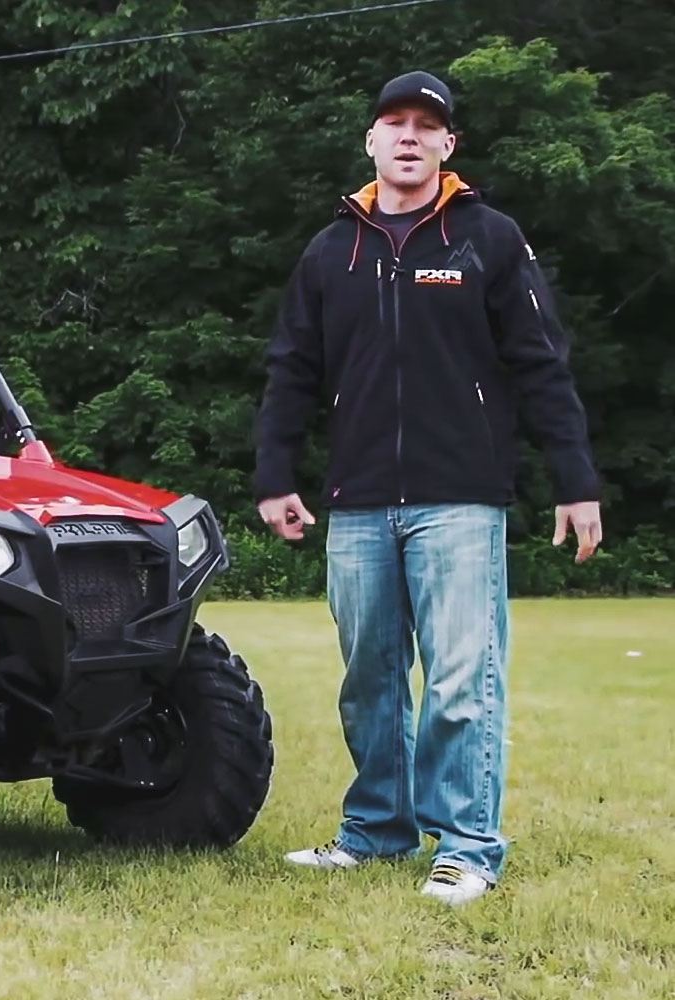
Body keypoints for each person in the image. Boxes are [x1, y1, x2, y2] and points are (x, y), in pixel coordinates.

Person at [253, 71, 603, 905]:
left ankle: (470, 845)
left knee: (459, 678)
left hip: (460, 497)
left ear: (449, 146)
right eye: (392, 123)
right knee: (369, 677)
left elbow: (542, 366)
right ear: (371, 142)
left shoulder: (487, 237)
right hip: (359, 499)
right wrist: (275, 475)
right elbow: (292, 371)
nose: (408, 136)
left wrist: (575, 481)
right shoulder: (329, 251)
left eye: (426, 125)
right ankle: (376, 831)